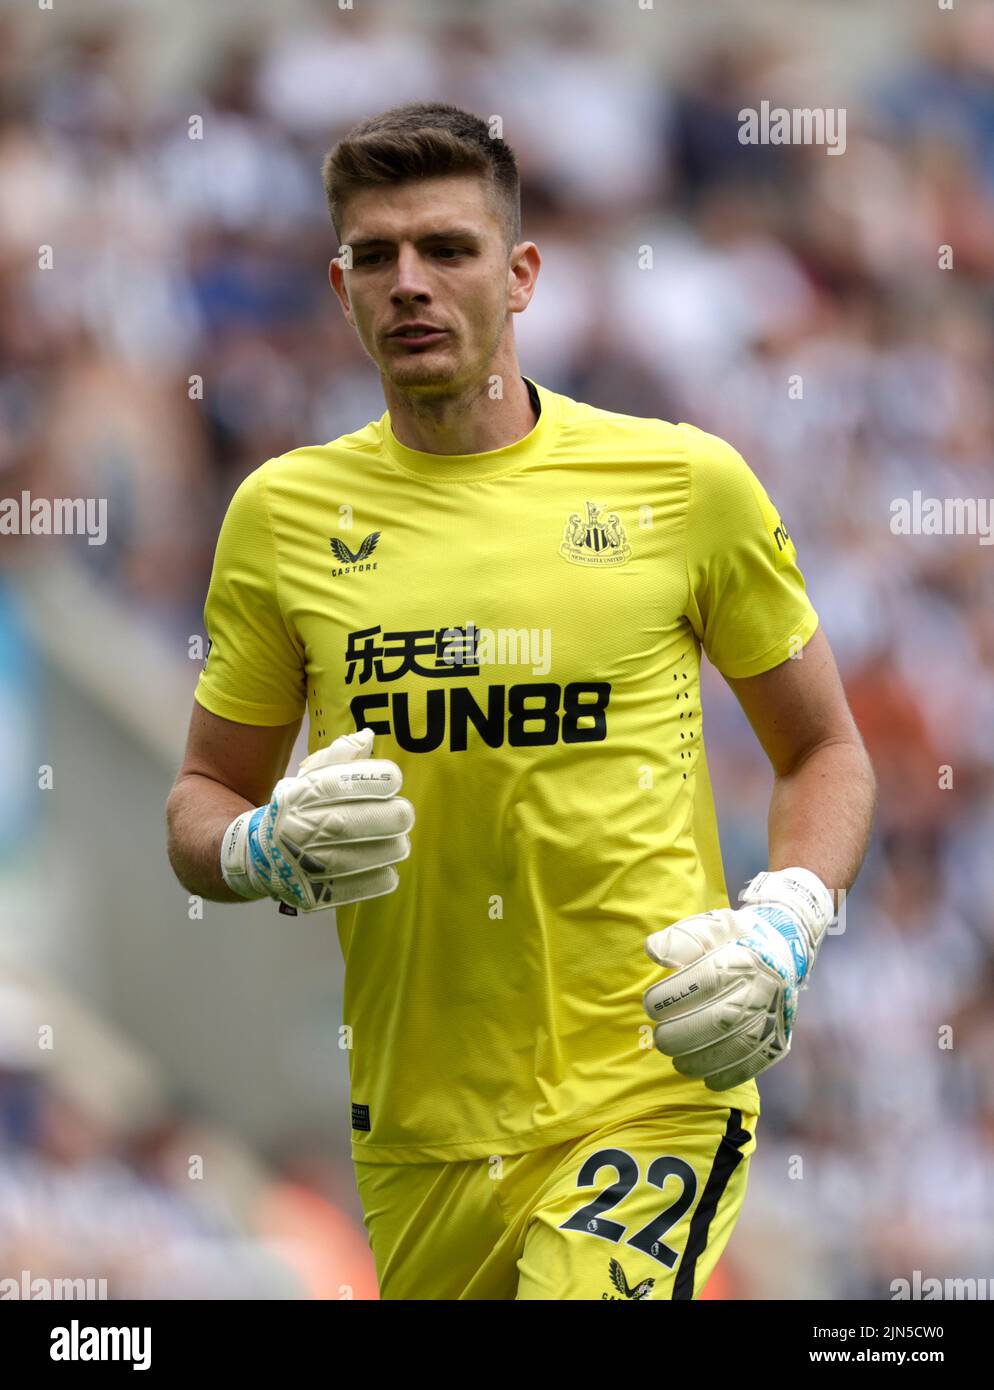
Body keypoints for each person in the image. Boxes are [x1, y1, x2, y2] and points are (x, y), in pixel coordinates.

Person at [165, 102, 876, 1301]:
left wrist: (785, 921)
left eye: (447, 249)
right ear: (337, 285)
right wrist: (260, 847)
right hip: (419, 1125)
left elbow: (826, 752)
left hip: (648, 1088)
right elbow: (200, 801)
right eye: (376, 256)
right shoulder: (281, 518)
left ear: (521, 273)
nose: (410, 284)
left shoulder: (682, 485)